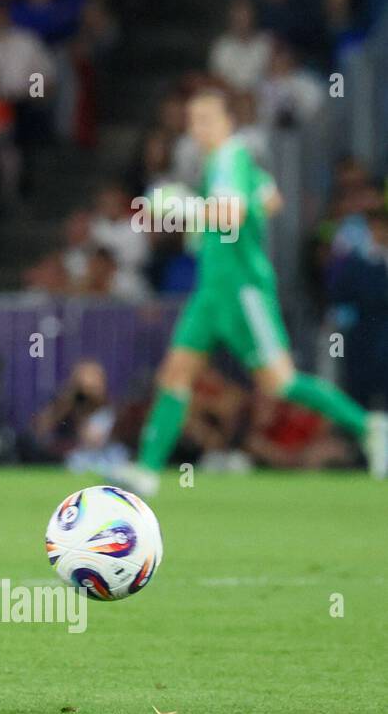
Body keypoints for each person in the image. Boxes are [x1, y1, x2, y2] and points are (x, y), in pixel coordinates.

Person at [117, 87, 387, 495]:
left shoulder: (230, 155)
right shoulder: (228, 162)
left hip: (243, 290)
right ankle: (147, 471)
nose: (197, 128)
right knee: (175, 373)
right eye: (193, 120)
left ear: (228, 122)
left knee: (280, 382)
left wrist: (183, 208)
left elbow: (234, 211)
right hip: (212, 289)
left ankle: (369, 426)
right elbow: (270, 199)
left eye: (206, 119)